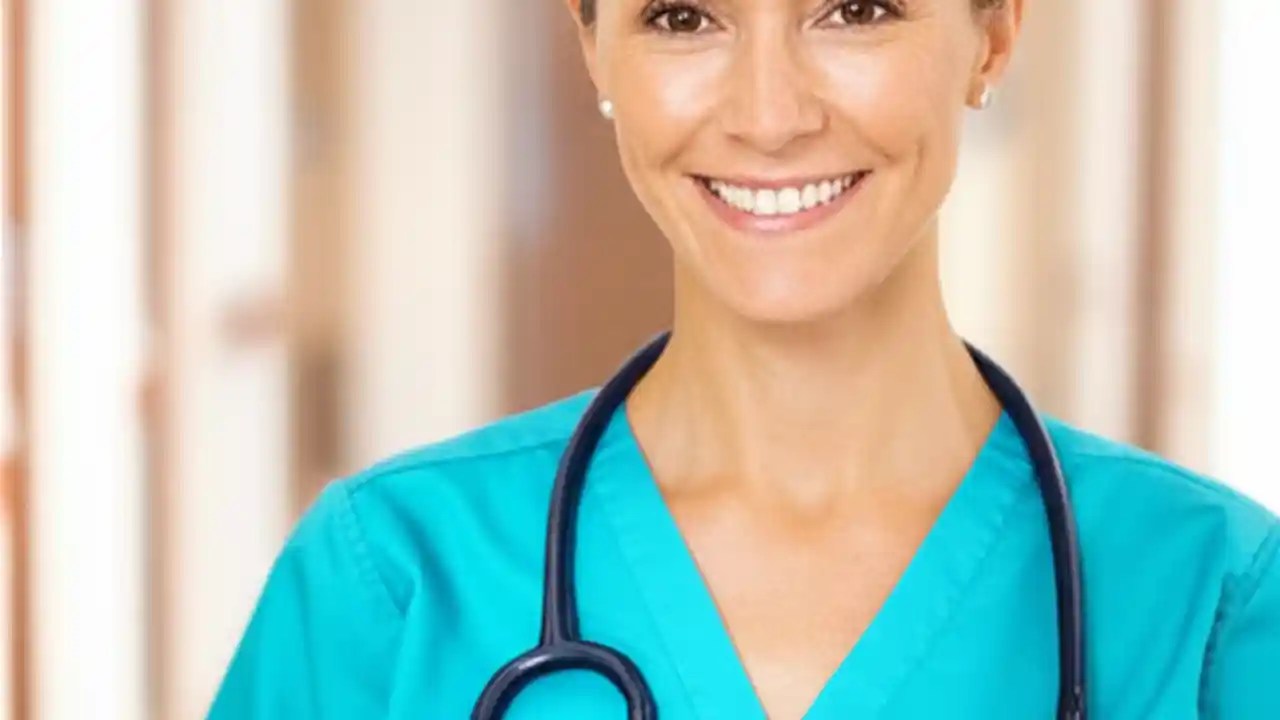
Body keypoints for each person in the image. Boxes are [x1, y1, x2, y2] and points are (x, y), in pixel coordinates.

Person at [210, 0, 1280, 717]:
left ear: (992, 31)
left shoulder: (1209, 603)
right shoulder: (390, 583)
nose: (768, 117)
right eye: (683, 16)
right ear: (594, 47)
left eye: (852, 8)